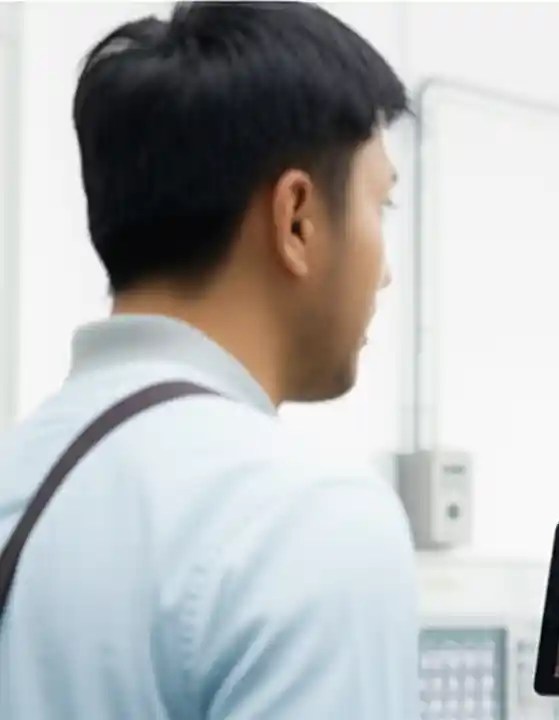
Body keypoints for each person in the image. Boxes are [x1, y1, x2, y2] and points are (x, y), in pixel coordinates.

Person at [0, 4, 420, 718]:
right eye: (380, 205)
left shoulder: (22, 475)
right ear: (296, 219)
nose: (383, 273)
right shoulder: (307, 519)